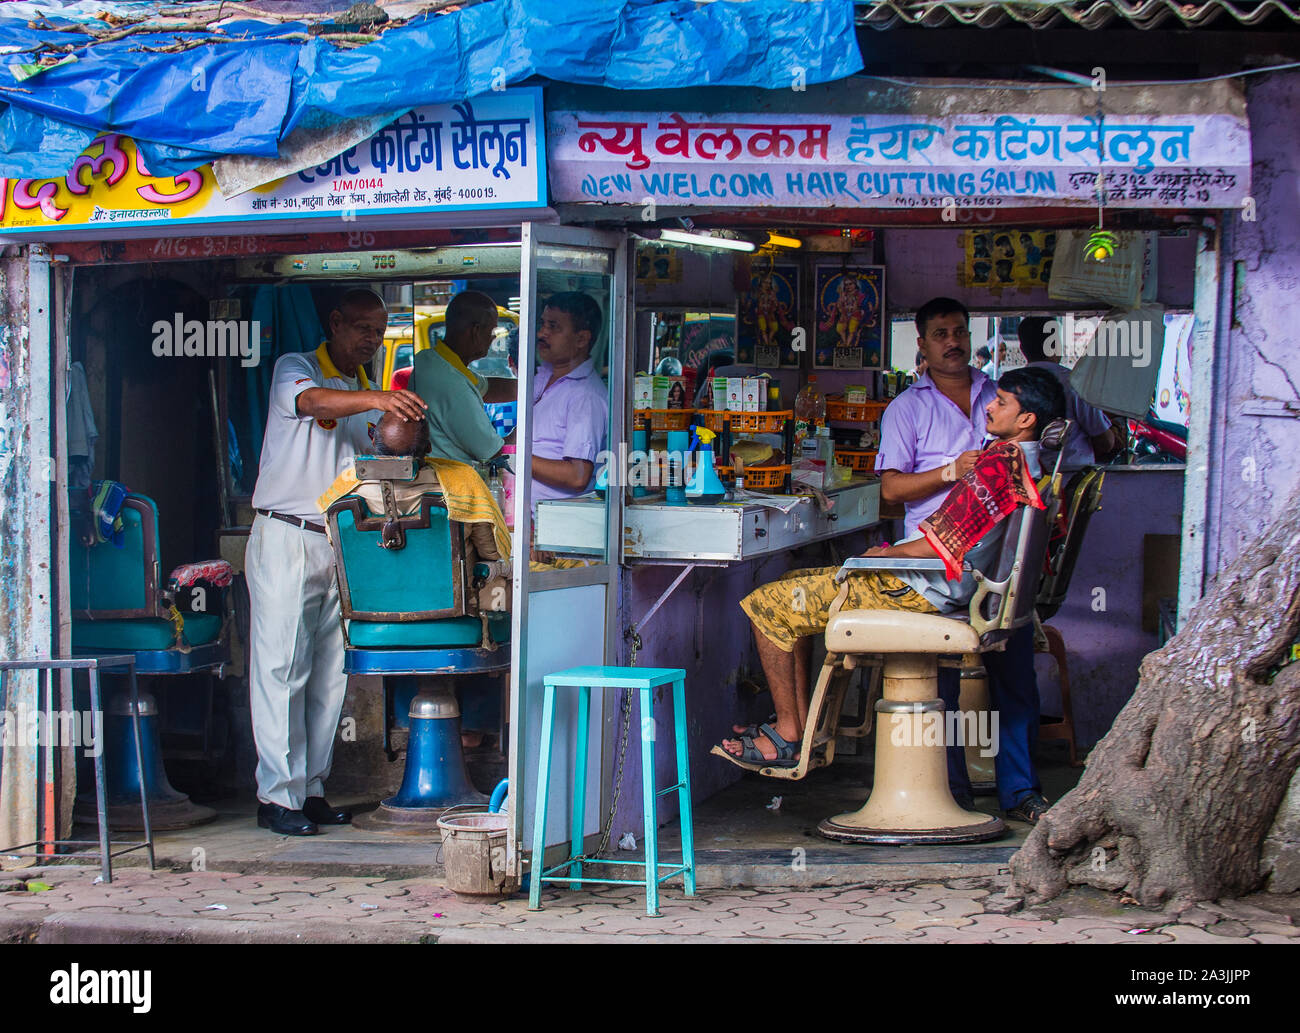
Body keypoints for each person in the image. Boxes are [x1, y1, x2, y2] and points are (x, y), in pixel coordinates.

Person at [722, 369, 1066, 822]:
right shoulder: (1030, 464)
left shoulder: (998, 464)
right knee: (799, 588)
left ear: (1026, 420)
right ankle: (796, 729)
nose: (989, 406)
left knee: (767, 602)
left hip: (924, 589)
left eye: (1000, 402)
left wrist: (880, 555)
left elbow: (938, 544)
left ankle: (788, 732)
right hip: (959, 592)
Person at [246, 288, 427, 836]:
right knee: (281, 668)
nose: (372, 339)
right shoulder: (296, 368)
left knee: (328, 673)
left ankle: (310, 788)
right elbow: (311, 403)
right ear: (335, 321)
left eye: (379, 331)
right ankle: (276, 796)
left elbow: (371, 451)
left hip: (335, 540)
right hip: (285, 534)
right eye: (364, 329)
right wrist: (377, 401)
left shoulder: (360, 387)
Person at [874, 297, 1050, 823]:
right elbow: (892, 489)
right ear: (922, 345)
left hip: (999, 561)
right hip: (937, 563)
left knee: (1014, 673)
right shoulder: (907, 408)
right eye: (940, 333)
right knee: (941, 683)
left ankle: (1019, 792)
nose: (953, 341)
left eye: (958, 331)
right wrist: (950, 473)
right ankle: (952, 794)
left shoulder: (999, 395)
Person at [410, 290, 506, 466]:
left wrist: (537, 387)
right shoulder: (452, 384)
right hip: (450, 483)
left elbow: (489, 387)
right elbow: (490, 451)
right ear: (476, 331)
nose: (493, 338)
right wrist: (521, 435)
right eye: (491, 331)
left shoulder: (429, 360)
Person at [531, 291, 609, 502]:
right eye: (543, 324)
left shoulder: (585, 396)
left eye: (553, 326)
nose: (542, 333)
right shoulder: (545, 376)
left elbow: (578, 477)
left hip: (553, 524)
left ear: (582, 339)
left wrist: (517, 458)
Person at [1018, 315, 1120, 467]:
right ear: (1055, 345)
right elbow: (1105, 442)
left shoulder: (1009, 386)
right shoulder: (1074, 383)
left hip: (1025, 478)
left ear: (1022, 349)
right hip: (1070, 478)